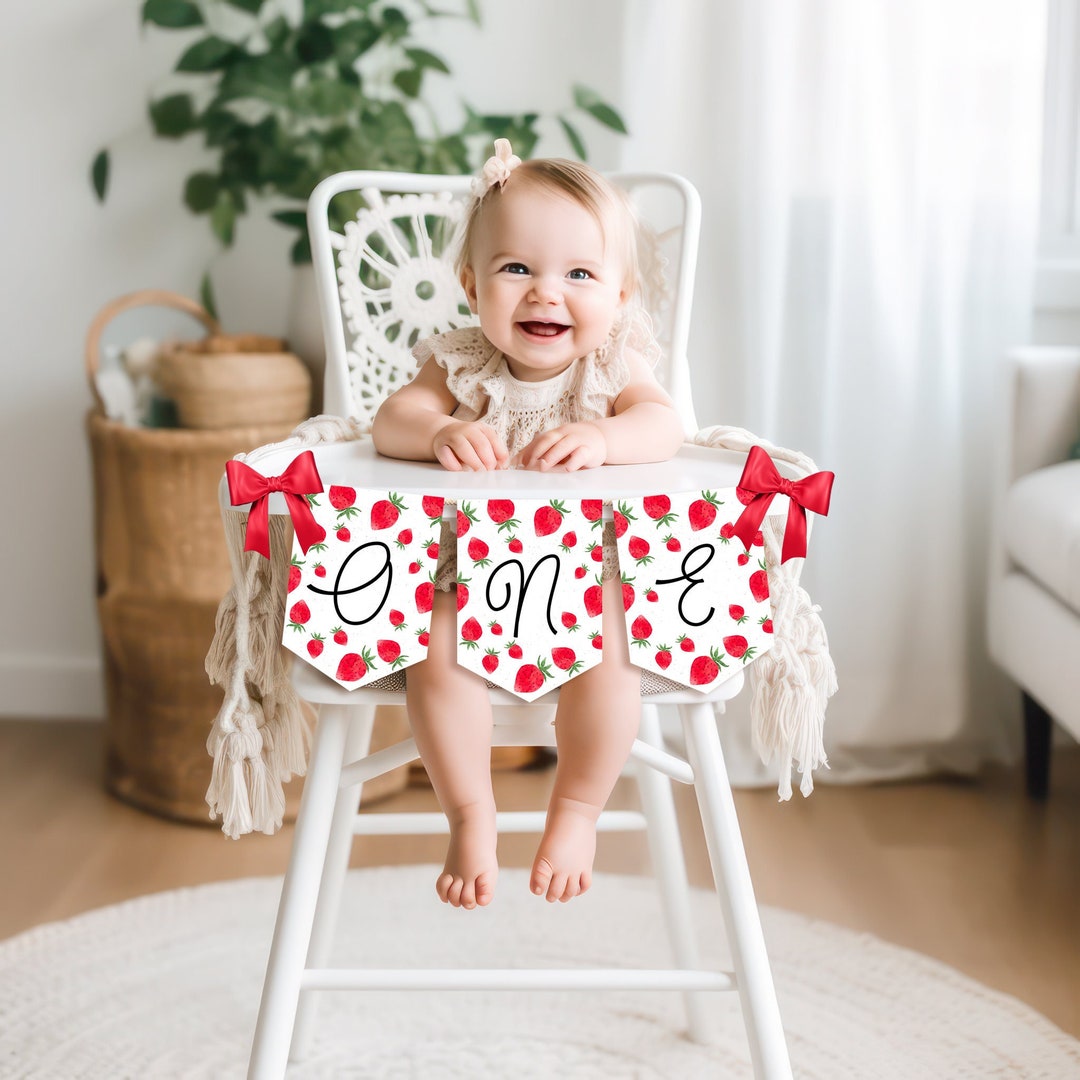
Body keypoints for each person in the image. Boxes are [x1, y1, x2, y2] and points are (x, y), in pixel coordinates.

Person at [371, 140, 685, 909]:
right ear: (473, 285)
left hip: (588, 582)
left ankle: (577, 809)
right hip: (472, 578)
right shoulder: (460, 361)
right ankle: (469, 812)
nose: (547, 293)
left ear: (620, 294)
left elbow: (665, 427)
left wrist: (608, 437)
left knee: (614, 655)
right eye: (518, 269)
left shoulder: (612, 367)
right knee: (434, 651)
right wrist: (439, 432)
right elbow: (392, 420)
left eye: (580, 274)